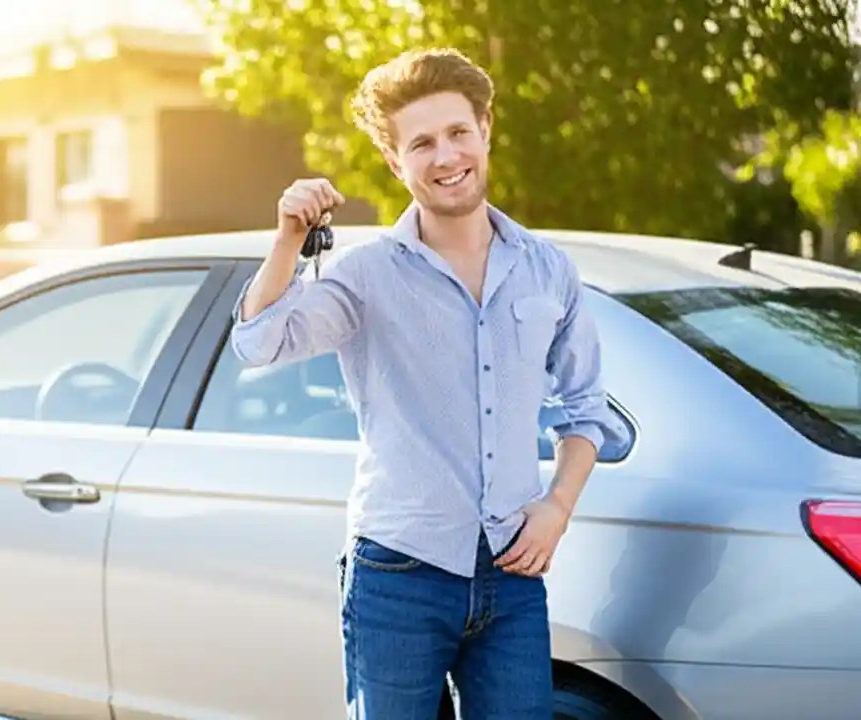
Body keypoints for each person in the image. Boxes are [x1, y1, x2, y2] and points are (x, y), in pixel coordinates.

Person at [229, 47, 628, 719]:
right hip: (399, 573)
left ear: (485, 131)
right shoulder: (367, 274)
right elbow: (258, 342)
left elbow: (585, 407)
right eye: (421, 144)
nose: (445, 157)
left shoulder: (545, 269)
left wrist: (557, 507)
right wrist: (288, 240)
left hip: (513, 573)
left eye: (457, 134)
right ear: (395, 161)